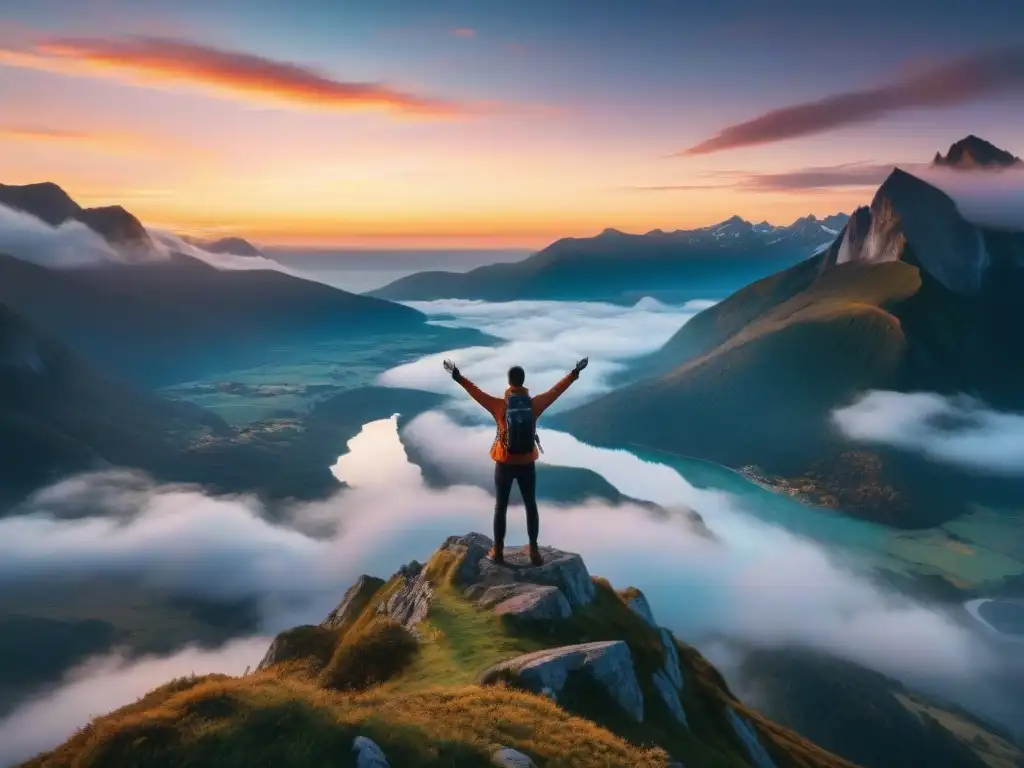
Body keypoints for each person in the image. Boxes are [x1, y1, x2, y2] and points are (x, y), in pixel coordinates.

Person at [443, 356, 589, 566]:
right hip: (527, 463)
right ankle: (535, 552)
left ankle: (499, 551)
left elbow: (476, 393)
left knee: (500, 507)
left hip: (504, 462)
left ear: (509, 383)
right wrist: (574, 374)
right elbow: (555, 392)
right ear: (523, 382)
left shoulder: (499, 407)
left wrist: (458, 377)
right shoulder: (534, 404)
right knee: (531, 505)